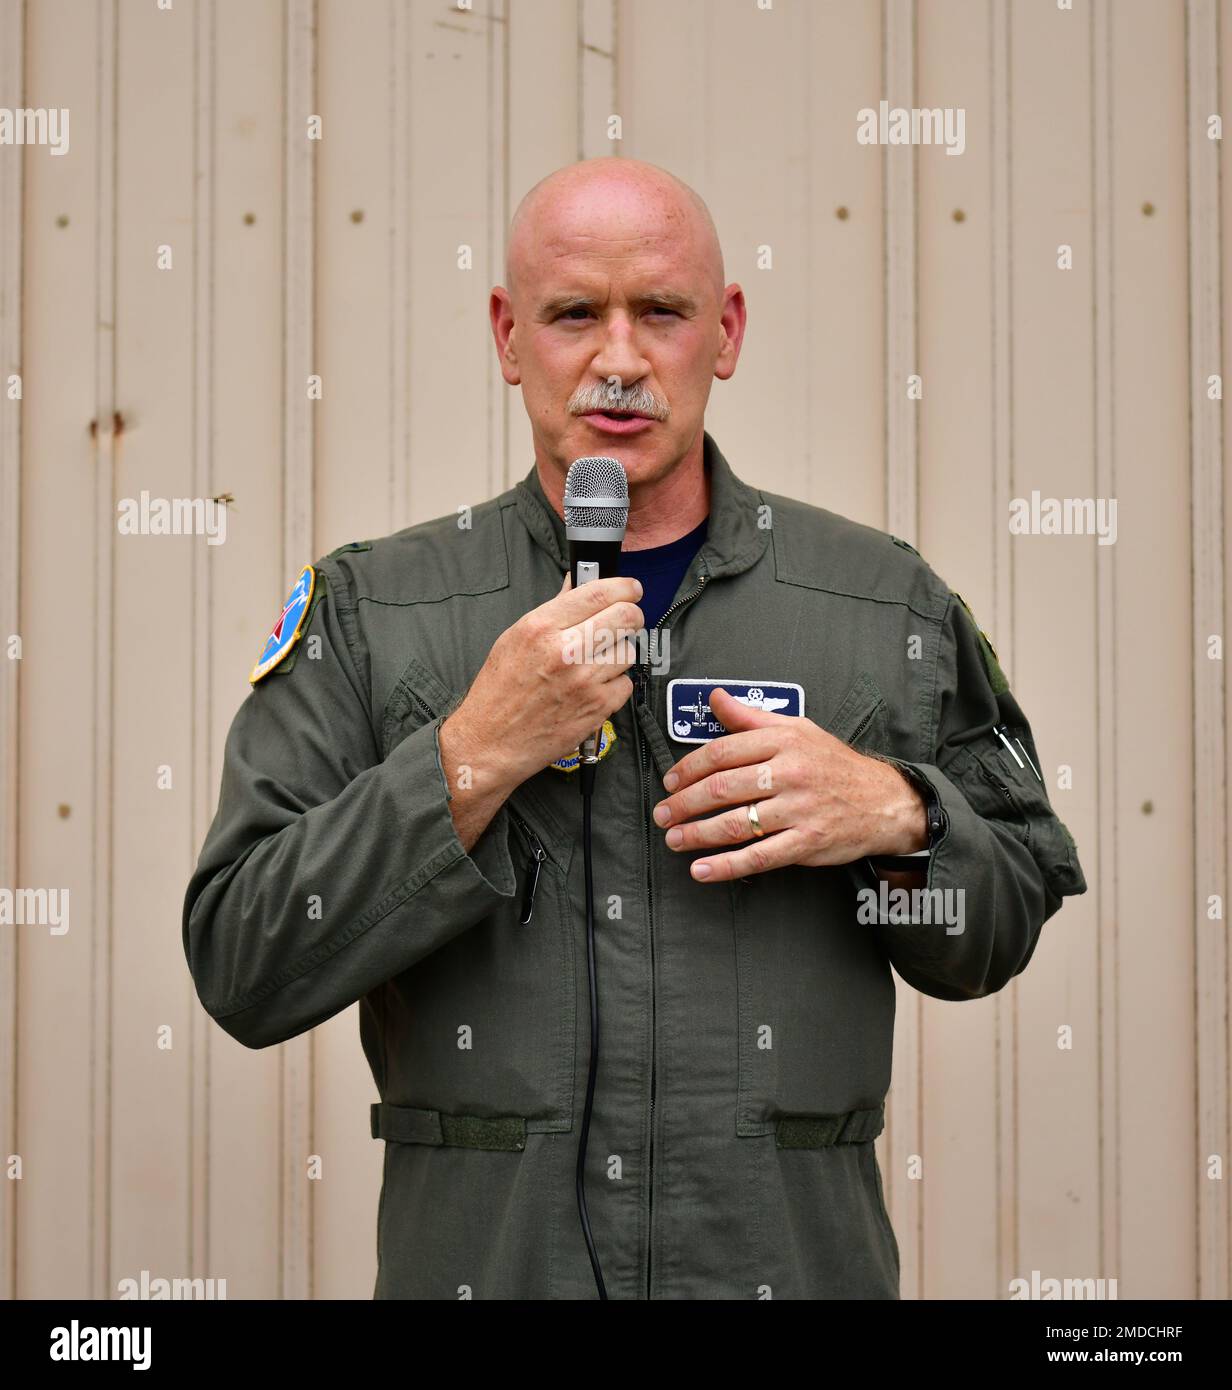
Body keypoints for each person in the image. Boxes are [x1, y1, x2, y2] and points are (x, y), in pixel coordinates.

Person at [183, 157, 1087, 1300]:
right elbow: (242, 961)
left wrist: (894, 815)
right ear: (509, 337)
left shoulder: (878, 604)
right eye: (573, 315)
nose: (618, 359)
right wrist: (471, 757)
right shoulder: (373, 613)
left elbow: (998, 920)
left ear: (726, 330)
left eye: (659, 310)